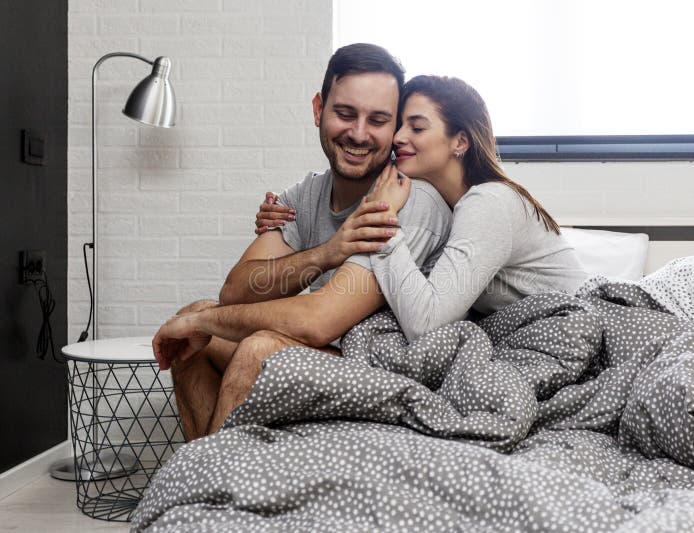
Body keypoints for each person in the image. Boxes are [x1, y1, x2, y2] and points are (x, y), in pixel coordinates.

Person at [152, 44, 452, 441]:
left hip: (382, 370)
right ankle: (211, 485)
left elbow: (317, 321)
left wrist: (203, 321)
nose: (358, 134)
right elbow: (237, 291)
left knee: (256, 347)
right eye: (345, 113)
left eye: (377, 120)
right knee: (195, 327)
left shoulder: (409, 201)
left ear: (394, 127)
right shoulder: (303, 196)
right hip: (329, 355)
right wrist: (327, 253)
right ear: (318, 109)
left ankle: (202, 487)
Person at [257, 75, 587, 342]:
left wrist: (384, 221)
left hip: (572, 327)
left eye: (416, 127)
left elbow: (427, 325)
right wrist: (282, 213)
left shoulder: (489, 201)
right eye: (398, 125)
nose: (399, 137)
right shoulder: (447, 207)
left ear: (460, 141)